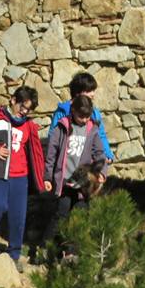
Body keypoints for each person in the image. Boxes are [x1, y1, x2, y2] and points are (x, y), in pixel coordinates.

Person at [0, 87, 46, 271]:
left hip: (21, 177)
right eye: (23, 106)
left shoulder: (29, 126)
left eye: (28, 109)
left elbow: (36, 152)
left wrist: (40, 176)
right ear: (13, 100)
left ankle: (14, 255)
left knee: (18, 216)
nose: (24, 111)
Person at [40, 95, 107, 260]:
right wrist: (48, 178)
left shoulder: (93, 130)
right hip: (64, 182)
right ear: (73, 111)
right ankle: (44, 248)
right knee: (60, 214)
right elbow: (51, 155)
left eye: (87, 116)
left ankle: (71, 253)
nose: (84, 120)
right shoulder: (61, 128)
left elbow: (99, 154)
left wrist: (102, 173)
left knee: (79, 216)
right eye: (80, 116)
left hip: (82, 185)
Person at [49, 72, 114, 163]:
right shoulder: (62, 112)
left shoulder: (94, 113)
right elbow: (53, 137)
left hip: (89, 163)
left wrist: (107, 155)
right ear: (77, 92)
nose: (93, 94)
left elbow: (100, 135)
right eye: (89, 91)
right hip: (66, 164)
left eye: (93, 90)